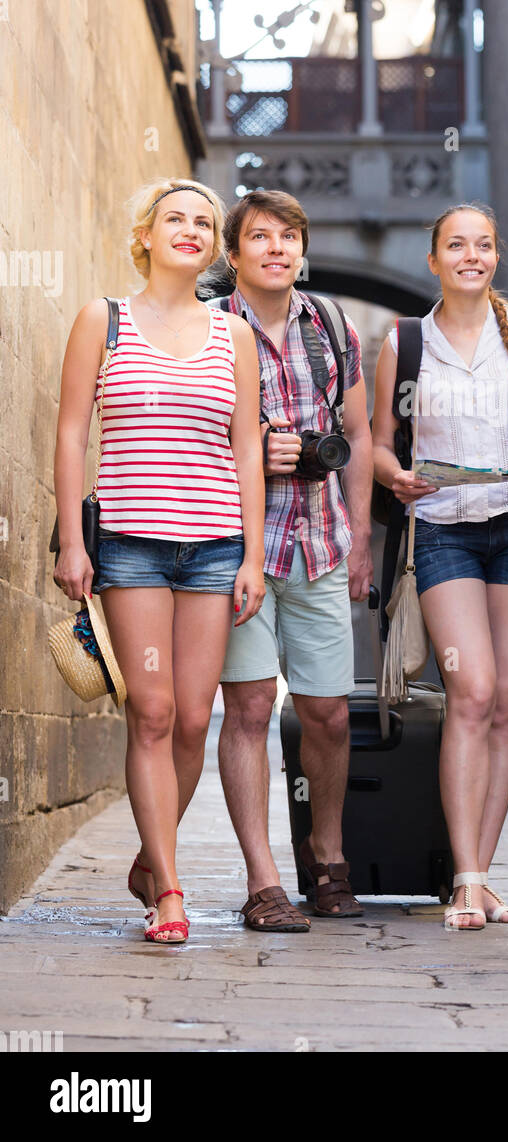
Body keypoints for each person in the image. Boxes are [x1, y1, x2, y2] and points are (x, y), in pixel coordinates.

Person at [53, 179, 267, 944]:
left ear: (214, 246)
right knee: (152, 711)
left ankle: (152, 856)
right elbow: (73, 431)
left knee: (195, 721)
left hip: (213, 549)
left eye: (204, 222)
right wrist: (73, 542)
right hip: (132, 546)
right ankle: (170, 892)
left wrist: (252, 552)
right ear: (145, 236)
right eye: (175, 218)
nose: (191, 230)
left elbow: (247, 445)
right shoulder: (102, 321)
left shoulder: (233, 335)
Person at [372, 201, 508, 931]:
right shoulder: (404, 344)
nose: (471, 255)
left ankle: (482, 874)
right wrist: (394, 476)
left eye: (483, 245)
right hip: (443, 531)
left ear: (497, 256)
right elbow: (376, 444)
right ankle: (462, 879)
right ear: (434, 261)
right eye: (456, 245)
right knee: (473, 689)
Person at [214, 190, 374, 931]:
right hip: (237, 547)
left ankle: (327, 854)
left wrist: (364, 536)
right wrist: (252, 449)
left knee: (329, 714)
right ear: (234, 253)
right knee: (248, 708)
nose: (278, 248)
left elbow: (359, 434)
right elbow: (190, 435)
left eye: (290, 236)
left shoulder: (332, 325)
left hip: (320, 541)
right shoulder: (213, 328)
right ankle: (263, 879)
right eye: (260, 237)